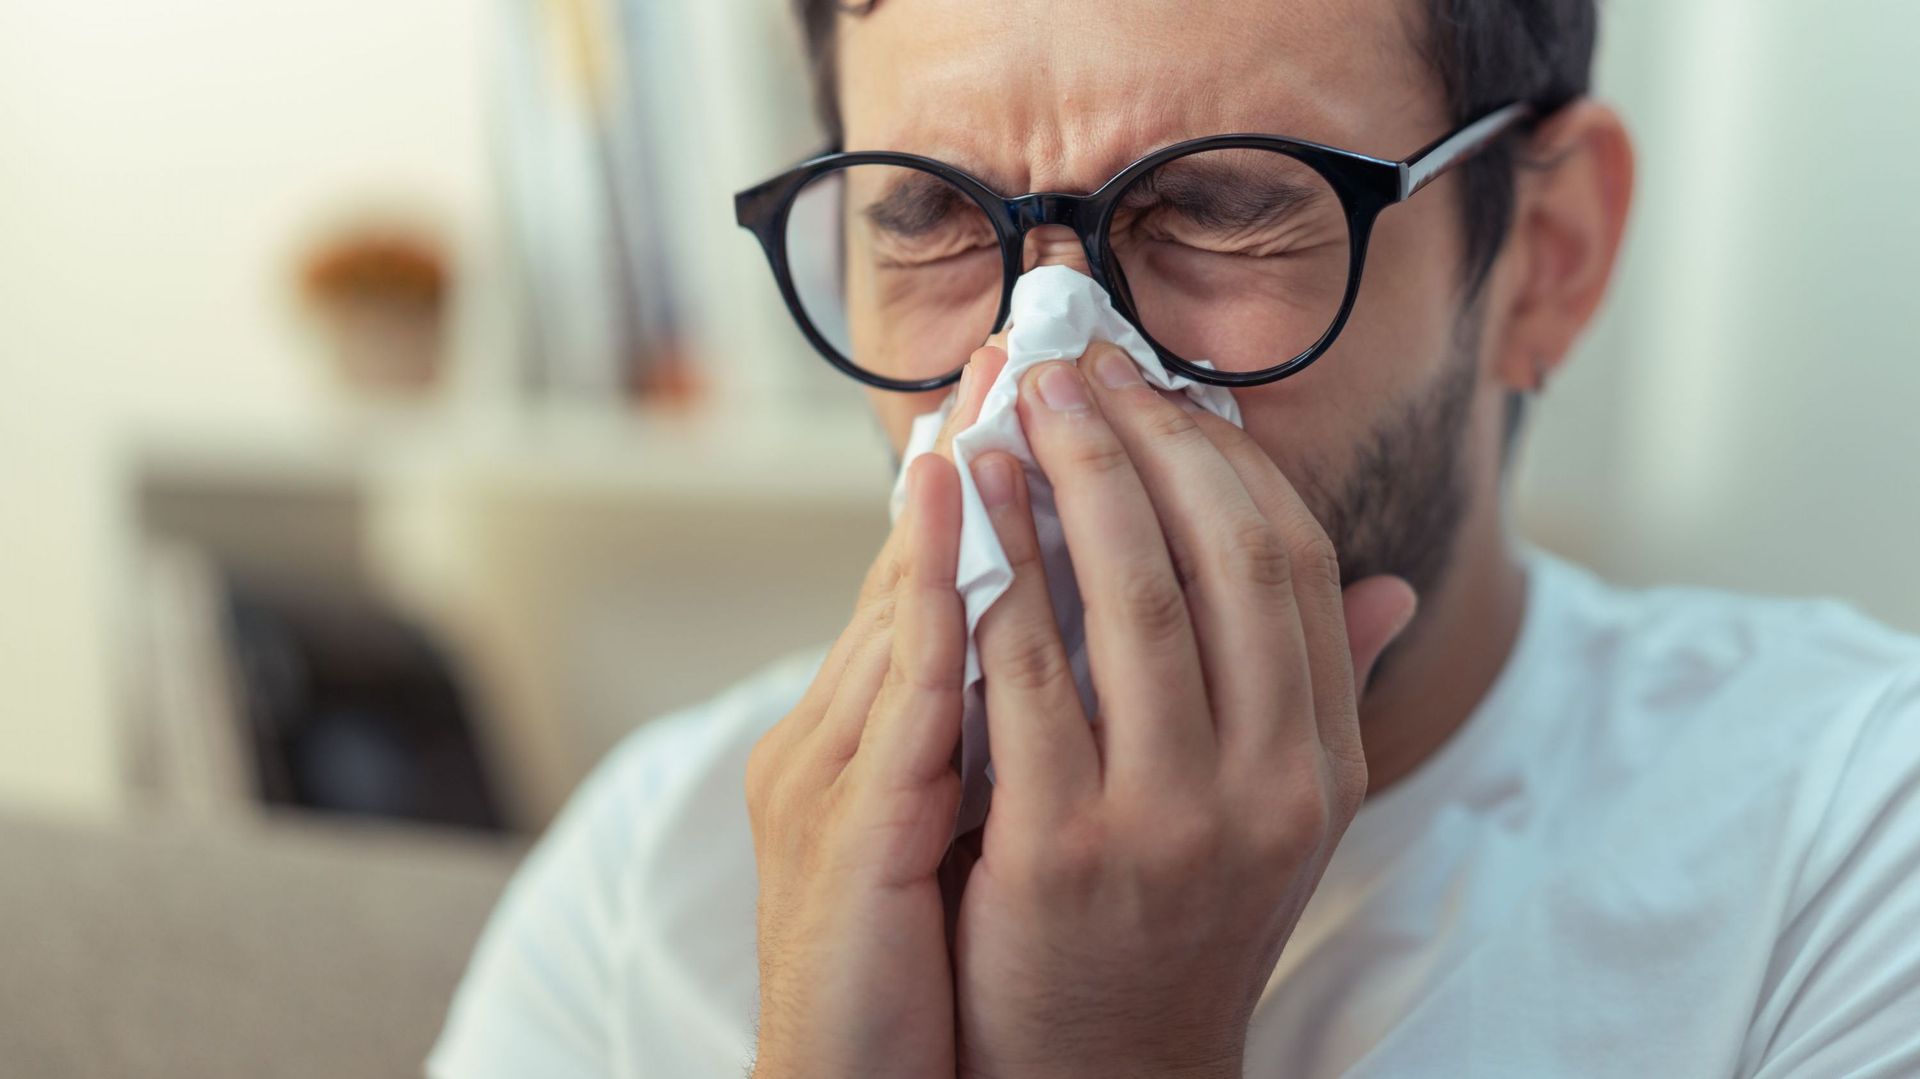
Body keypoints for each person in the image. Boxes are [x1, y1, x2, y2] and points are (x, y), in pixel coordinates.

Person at [430, 1, 1920, 1075]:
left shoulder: (1849, 850)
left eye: (1217, 209)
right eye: (928, 221)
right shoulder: (653, 877)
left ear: (1547, 258)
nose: (1043, 374)